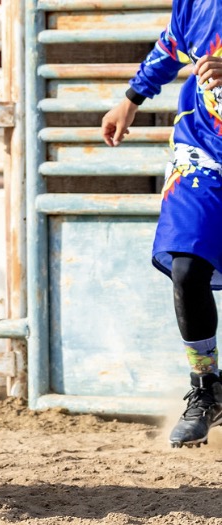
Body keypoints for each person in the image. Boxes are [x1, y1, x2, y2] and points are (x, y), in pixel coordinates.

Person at [101, 0, 222, 448]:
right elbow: (172, 43)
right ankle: (207, 387)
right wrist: (130, 99)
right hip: (203, 148)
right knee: (187, 268)